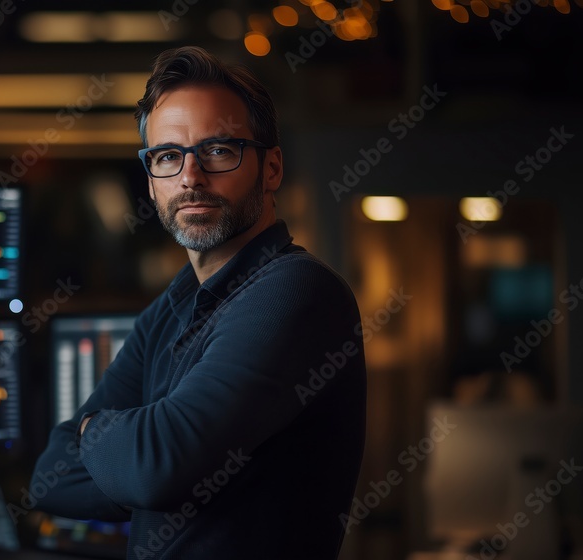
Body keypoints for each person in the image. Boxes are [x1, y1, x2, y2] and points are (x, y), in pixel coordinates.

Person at [29, 45, 367, 559]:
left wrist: (96, 431)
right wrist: (154, 465)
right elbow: (51, 478)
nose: (190, 177)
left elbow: (159, 469)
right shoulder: (170, 309)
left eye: (218, 150)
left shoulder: (298, 291)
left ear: (271, 168)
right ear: (151, 179)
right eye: (168, 156)